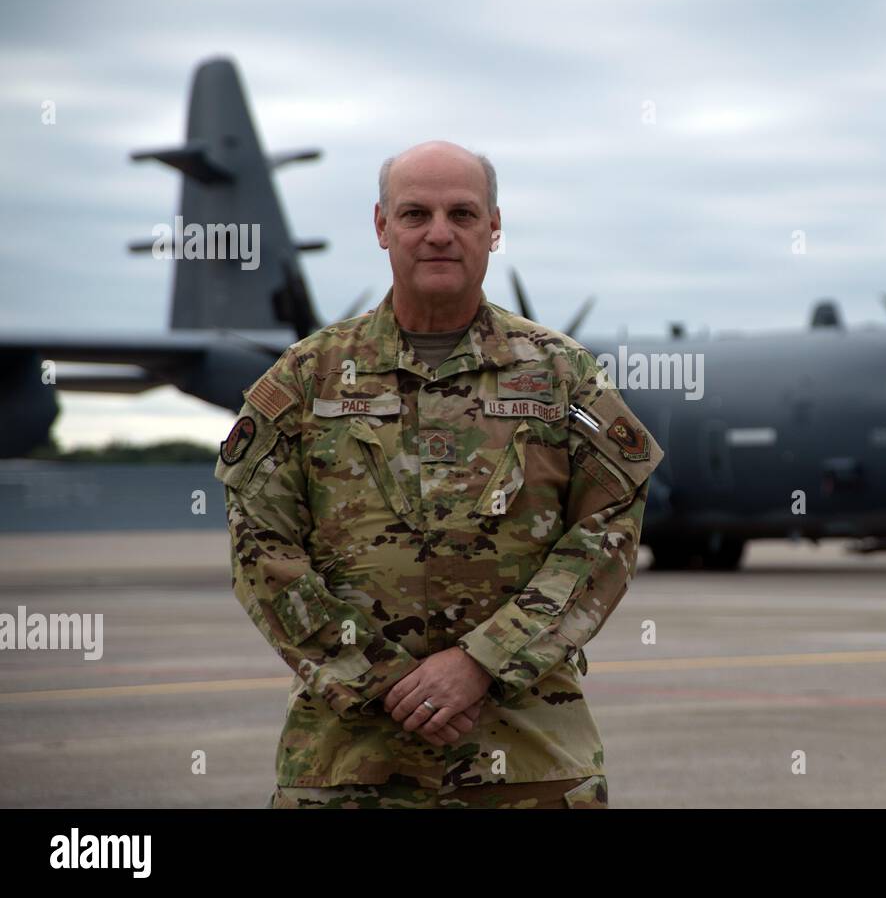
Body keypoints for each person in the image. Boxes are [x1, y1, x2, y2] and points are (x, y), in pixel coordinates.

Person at [214, 140, 662, 808]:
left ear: (495, 227)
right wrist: (380, 678)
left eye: (463, 213)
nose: (439, 234)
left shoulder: (564, 375)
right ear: (381, 226)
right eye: (416, 214)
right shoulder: (305, 379)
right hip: (351, 761)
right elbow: (262, 549)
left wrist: (484, 660)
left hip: (527, 757)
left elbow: (608, 532)